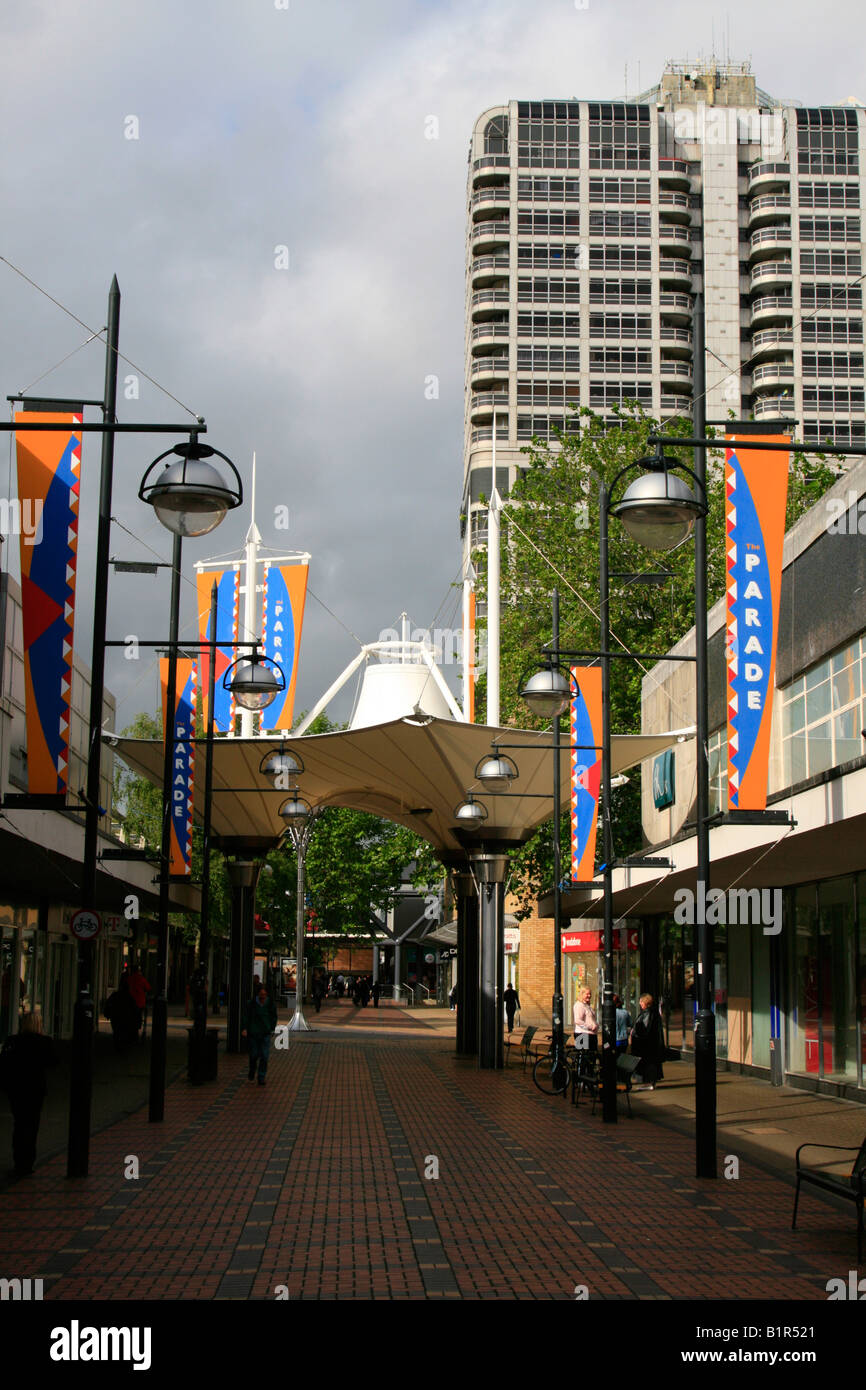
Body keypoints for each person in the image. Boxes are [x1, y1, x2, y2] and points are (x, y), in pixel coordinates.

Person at [0, 1012, 59, 1176]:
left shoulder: (13, 1041)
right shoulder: (44, 1042)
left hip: (16, 1089)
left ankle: (19, 1160)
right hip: (35, 1089)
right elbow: (54, 1062)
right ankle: (27, 1162)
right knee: (32, 1124)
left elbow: (4, 1063)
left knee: (19, 1123)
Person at [241, 986, 278, 1086]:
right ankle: (252, 1070)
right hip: (254, 1033)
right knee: (254, 1054)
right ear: (258, 994)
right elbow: (246, 1016)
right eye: (261, 995)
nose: (263, 997)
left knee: (264, 1056)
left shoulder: (269, 1004)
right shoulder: (252, 1004)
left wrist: (272, 1028)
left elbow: (274, 1016)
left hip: (265, 1032)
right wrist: (245, 1028)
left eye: (264, 995)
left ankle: (261, 1076)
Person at [630, 992, 666, 1089]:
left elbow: (644, 1029)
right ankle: (650, 1082)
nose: (640, 1004)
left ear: (646, 1002)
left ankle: (649, 1083)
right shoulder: (651, 1013)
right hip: (651, 1045)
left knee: (649, 1064)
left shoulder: (648, 1013)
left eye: (641, 1002)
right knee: (650, 1064)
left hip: (648, 1045)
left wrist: (635, 1033)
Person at [104, 975, 139, 1052]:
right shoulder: (129, 997)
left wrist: (107, 1014)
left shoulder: (115, 995)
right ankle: (123, 1044)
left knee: (116, 1031)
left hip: (116, 1016)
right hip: (125, 1017)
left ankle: (118, 1045)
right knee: (124, 1030)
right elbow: (135, 1009)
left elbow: (108, 1003)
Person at [126, 964, 151, 1037]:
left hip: (130, 1001)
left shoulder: (129, 978)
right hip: (139, 1002)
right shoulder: (141, 979)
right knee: (138, 1015)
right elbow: (148, 988)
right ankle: (137, 1027)